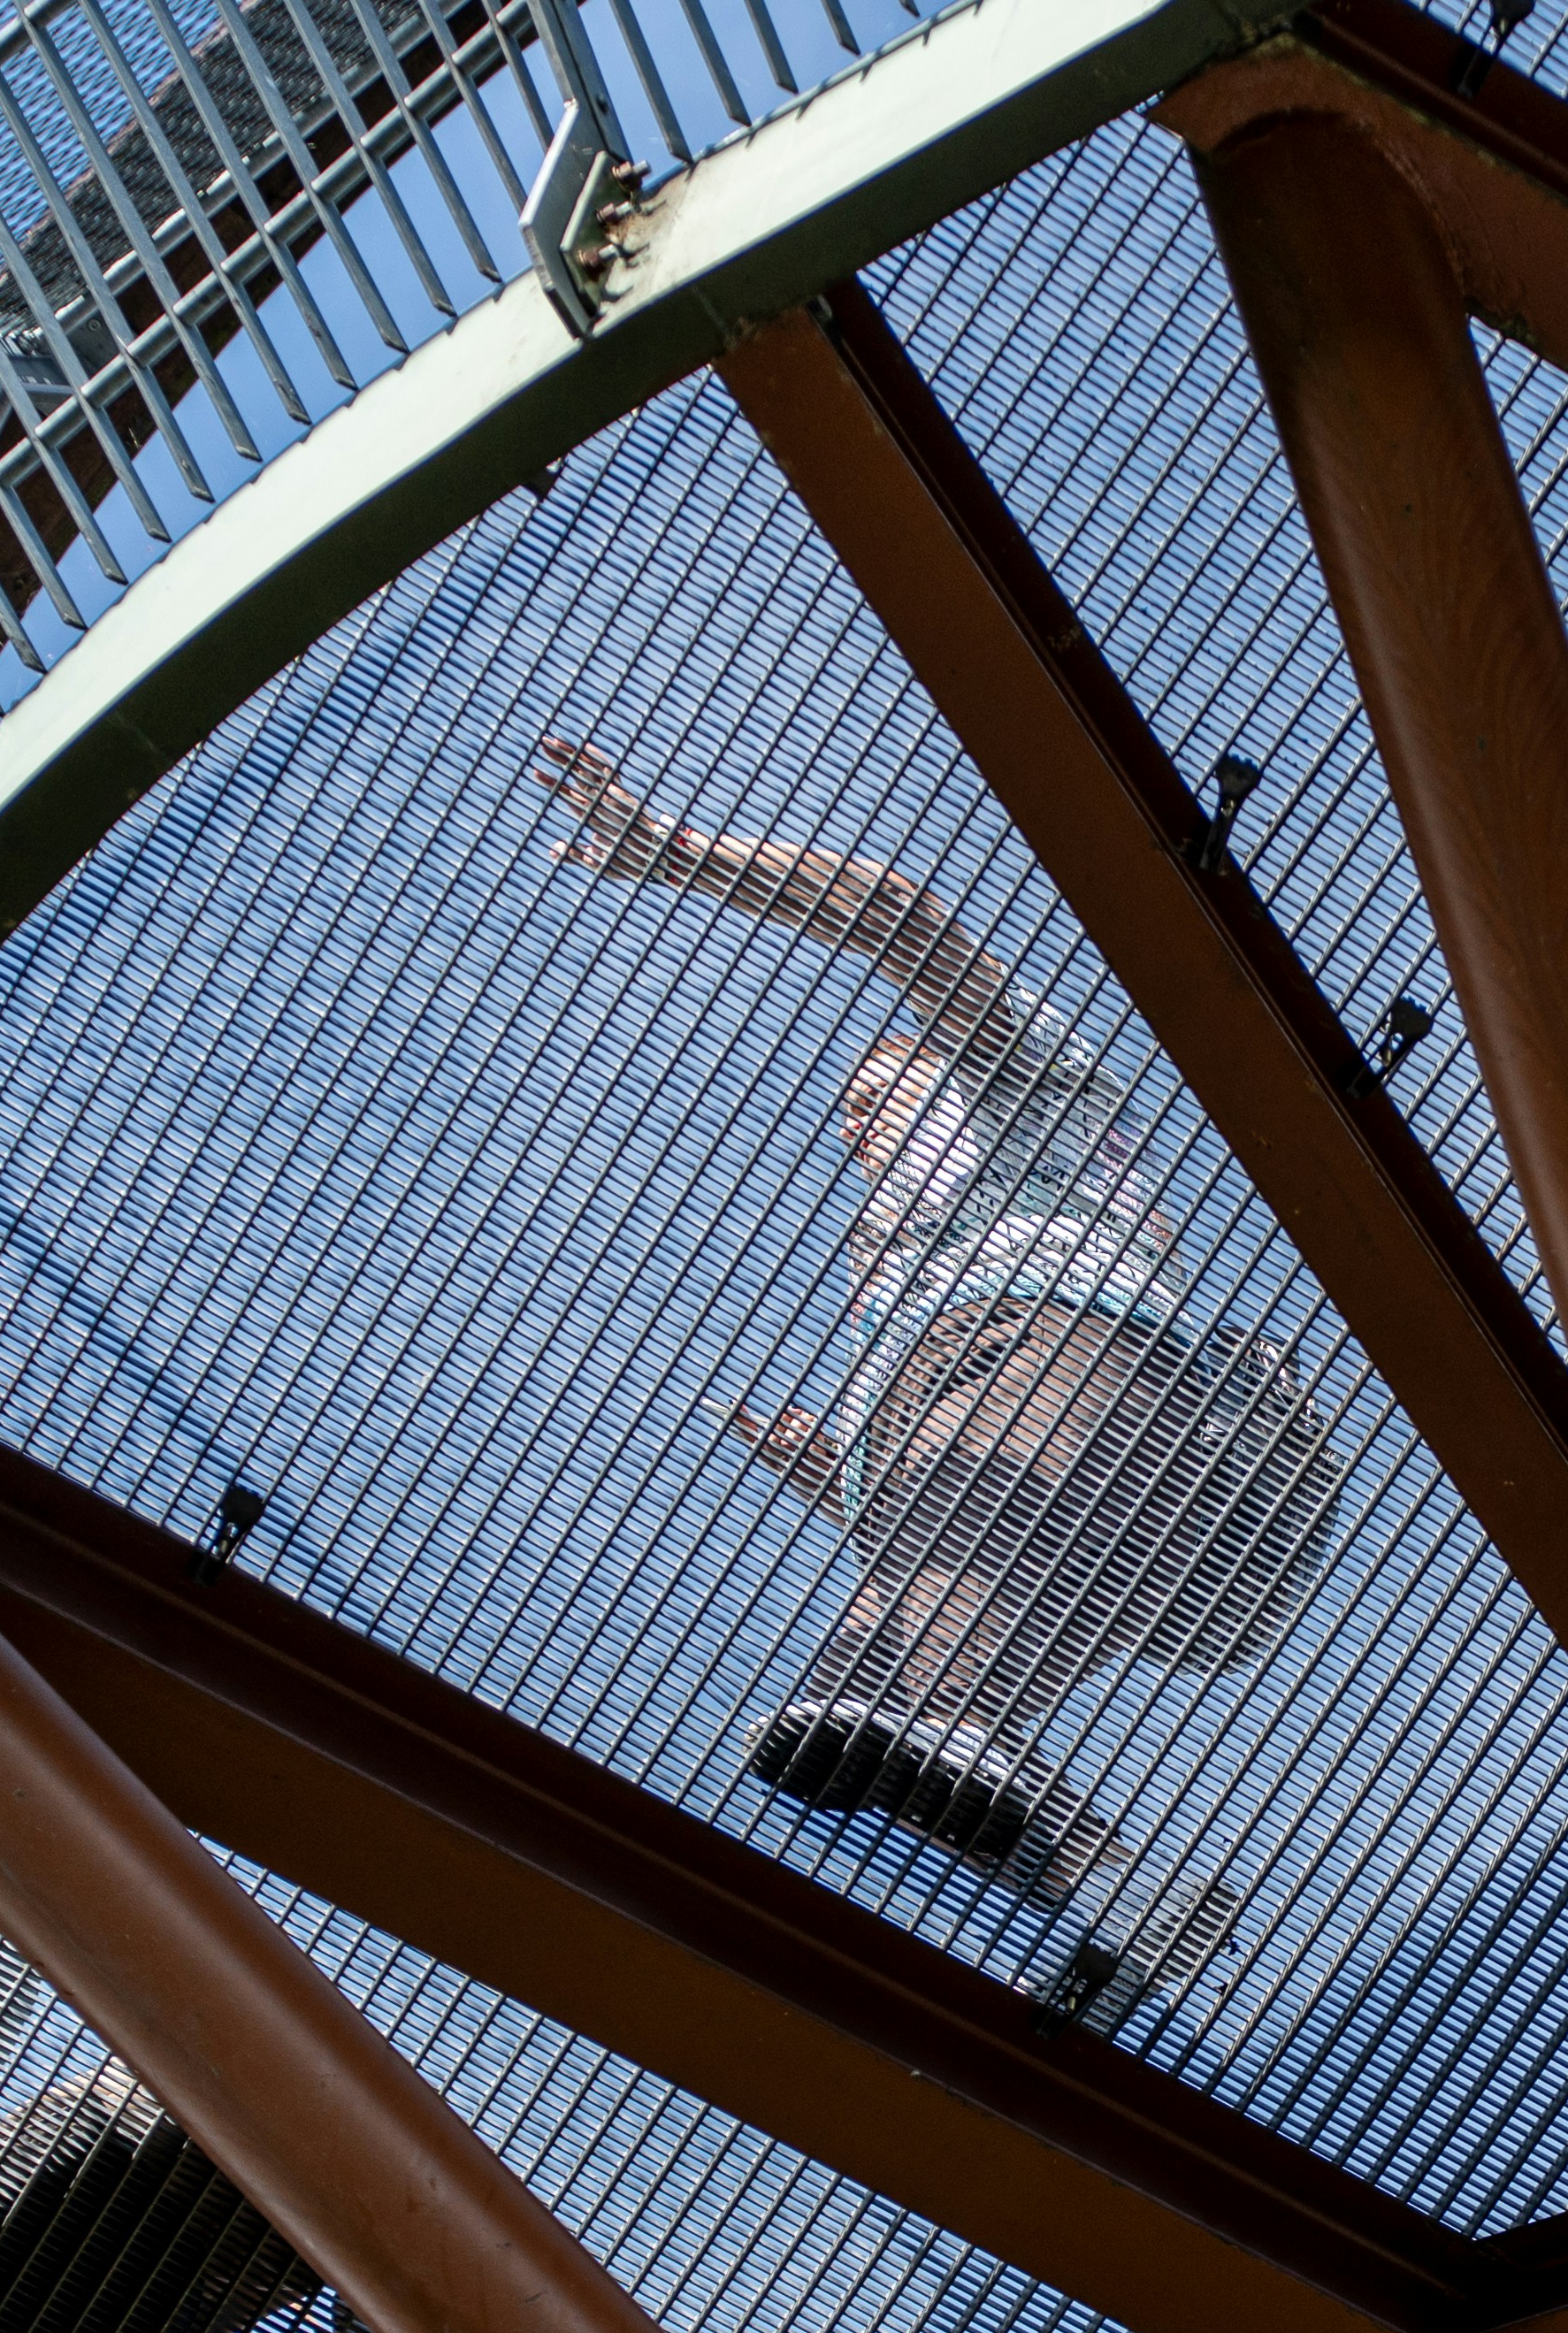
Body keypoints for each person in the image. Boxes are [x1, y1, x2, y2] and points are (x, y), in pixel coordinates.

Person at [534, 744, 1342, 1905]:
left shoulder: (1021, 1083)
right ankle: (1107, 1896)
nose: (854, 1127)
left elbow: (899, 916)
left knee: (926, 1648)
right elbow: (958, 1516)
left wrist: (676, 852)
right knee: (893, 1713)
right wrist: (841, 1476)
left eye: (875, 1092)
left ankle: (939, 1712)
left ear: (941, 1062)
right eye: (848, 1117)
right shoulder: (891, 1263)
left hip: (1068, 1355)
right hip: (1035, 1508)